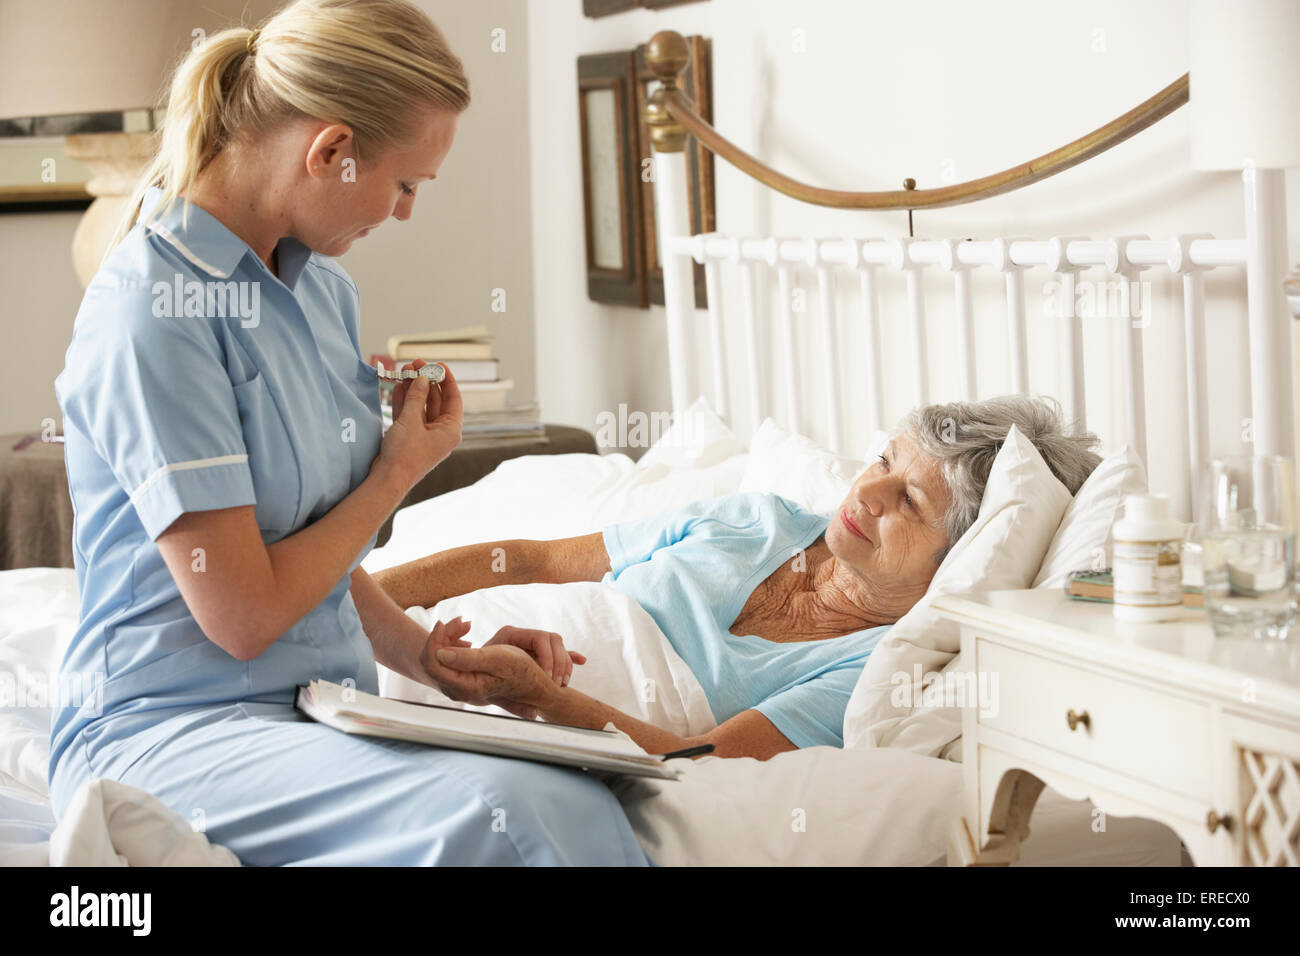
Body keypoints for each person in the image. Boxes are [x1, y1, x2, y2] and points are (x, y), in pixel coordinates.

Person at [49, 0, 647, 866]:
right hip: (168, 729)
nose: (404, 211)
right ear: (330, 149)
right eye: (407, 184)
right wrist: (394, 474)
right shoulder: (151, 310)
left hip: (319, 709)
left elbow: (306, 547)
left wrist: (425, 656)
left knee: (575, 793)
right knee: (501, 819)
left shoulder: (323, 296)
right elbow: (247, 615)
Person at [376, 396, 1102, 760]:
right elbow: (529, 561)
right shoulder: (755, 517)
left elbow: (693, 760)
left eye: (909, 502)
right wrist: (367, 600)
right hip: (431, 637)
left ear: (957, 560)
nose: (868, 494)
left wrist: (539, 697)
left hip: (519, 700)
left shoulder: (869, 669)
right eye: (883, 463)